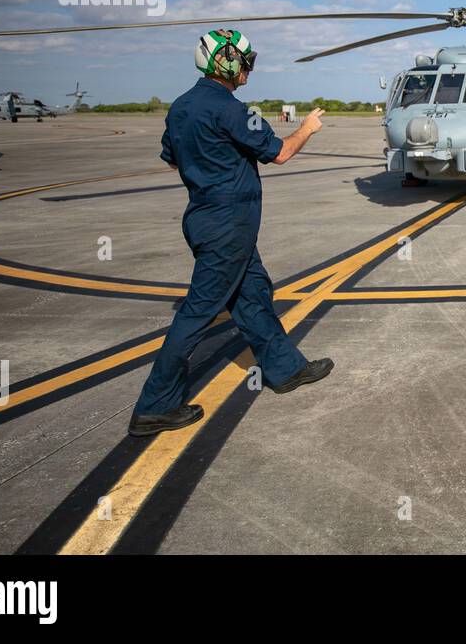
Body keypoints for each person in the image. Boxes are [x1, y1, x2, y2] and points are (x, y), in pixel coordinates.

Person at [129, 29, 332, 437]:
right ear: (225, 61)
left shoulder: (181, 108)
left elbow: (172, 160)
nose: (249, 68)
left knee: (253, 292)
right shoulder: (232, 109)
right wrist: (307, 127)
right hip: (228, 225)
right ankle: (155, 406)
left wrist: (210, 164)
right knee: (198, 312)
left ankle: (285, 369)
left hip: (204, 215)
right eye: (245, 60)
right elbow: (280, 153)